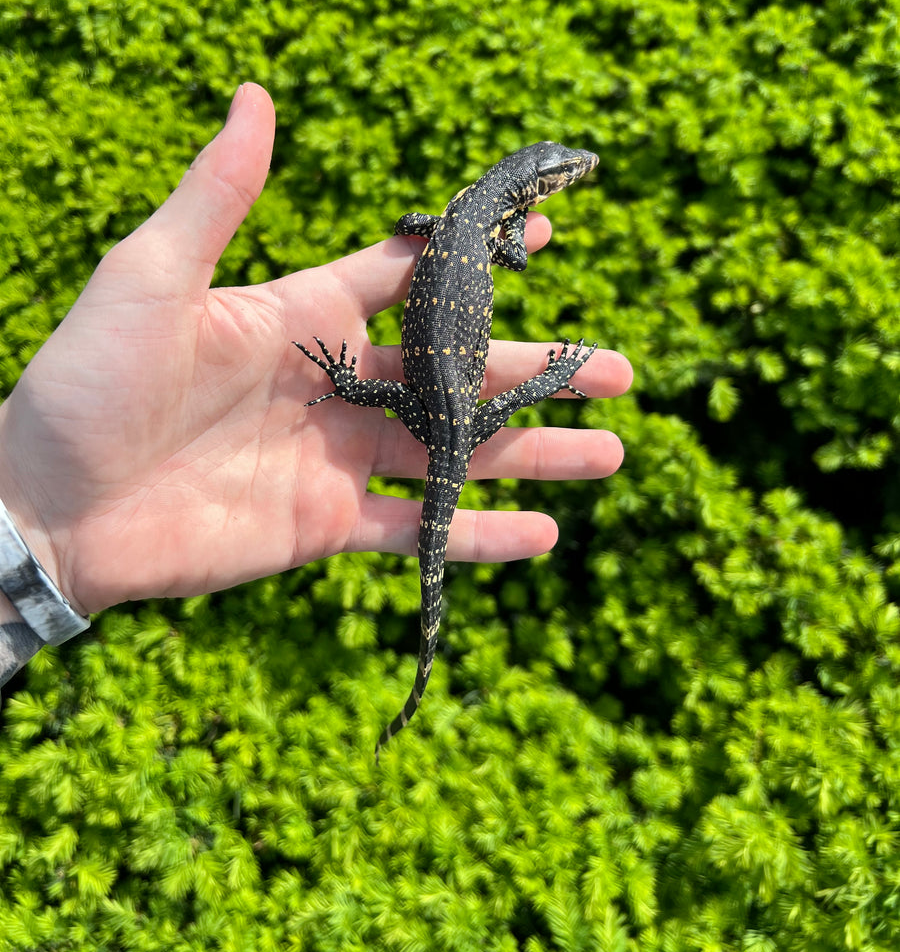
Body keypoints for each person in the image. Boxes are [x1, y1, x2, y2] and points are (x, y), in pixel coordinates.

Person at [0, 83, 632, 691]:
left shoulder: (456, 213)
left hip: (438, 401)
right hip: (450, 411)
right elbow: (512, 257)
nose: (577, 170)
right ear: (535, 187)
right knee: (479, 415)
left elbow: (408, 220)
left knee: (440, 412)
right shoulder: (489, 225)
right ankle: (548, 379)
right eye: (567, 172)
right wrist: (515, 238)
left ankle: (386, 386)